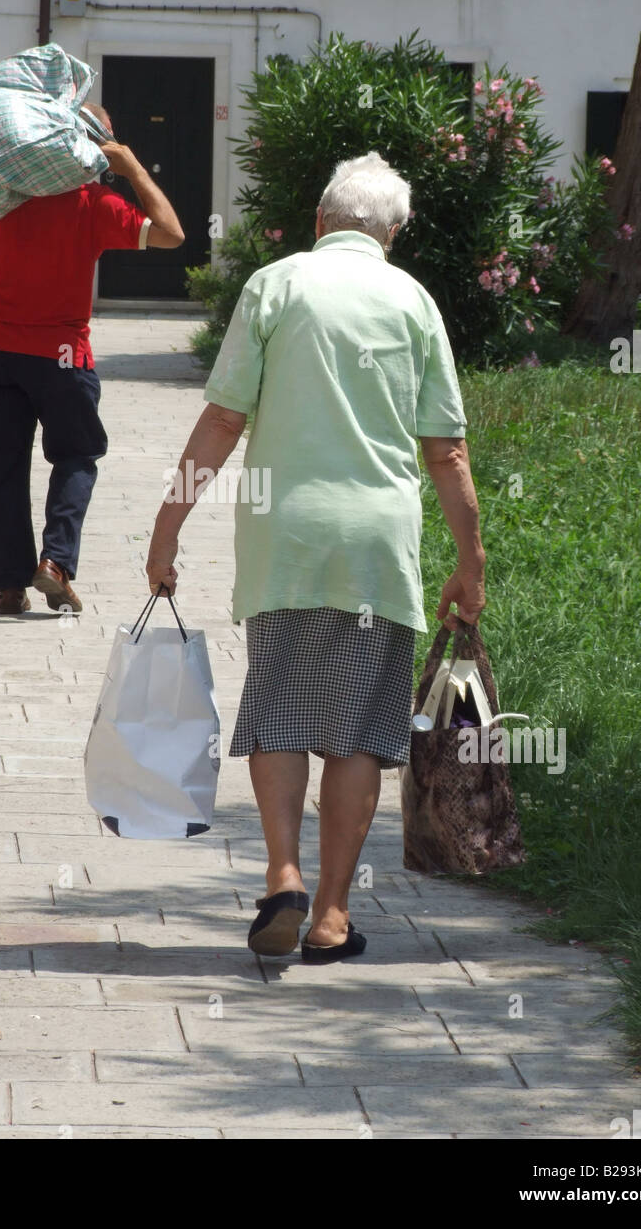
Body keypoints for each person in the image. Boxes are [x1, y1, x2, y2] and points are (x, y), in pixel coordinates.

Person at [145, 152, 486, 963]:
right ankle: (332, 917)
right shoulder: (411, 300)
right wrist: (469, 563)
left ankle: (281, 876)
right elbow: (447, 453)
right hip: (375, 546)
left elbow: (222, 424)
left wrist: (166, 531)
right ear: (393, 234)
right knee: (358, 736)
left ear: (320, 223)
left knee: (278, 716)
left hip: (284, 539)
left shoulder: (275, 285)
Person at [0, 104, 184, 616]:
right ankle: (55, 563)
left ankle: (10, 589)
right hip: (60, 357)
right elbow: (172, 233)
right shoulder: (94, 203)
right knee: (77, 455)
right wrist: (135, 170)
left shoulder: (1, 198)